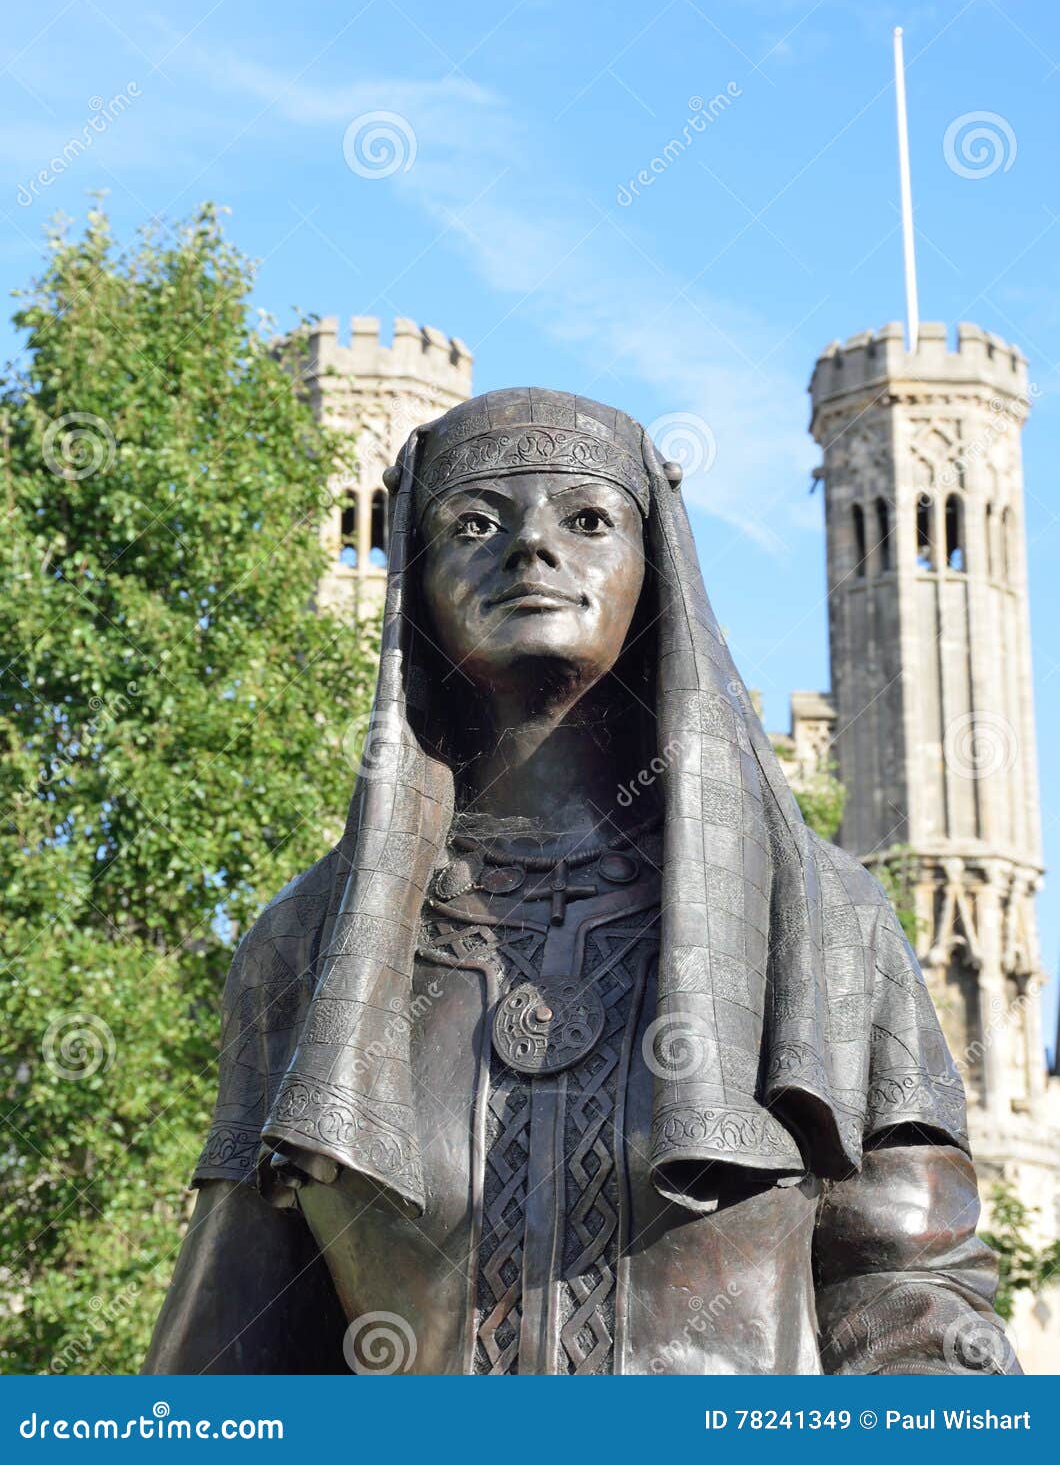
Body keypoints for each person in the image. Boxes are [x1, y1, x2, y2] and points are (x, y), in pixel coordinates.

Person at [145, 388, 1016, 1376]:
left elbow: (911, 1301)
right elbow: (229, 1360)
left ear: (655, 569)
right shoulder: (305, 942)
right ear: (414, 577)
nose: (528, 549)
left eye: (588, 519)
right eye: (473, 523)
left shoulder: (819, 920)